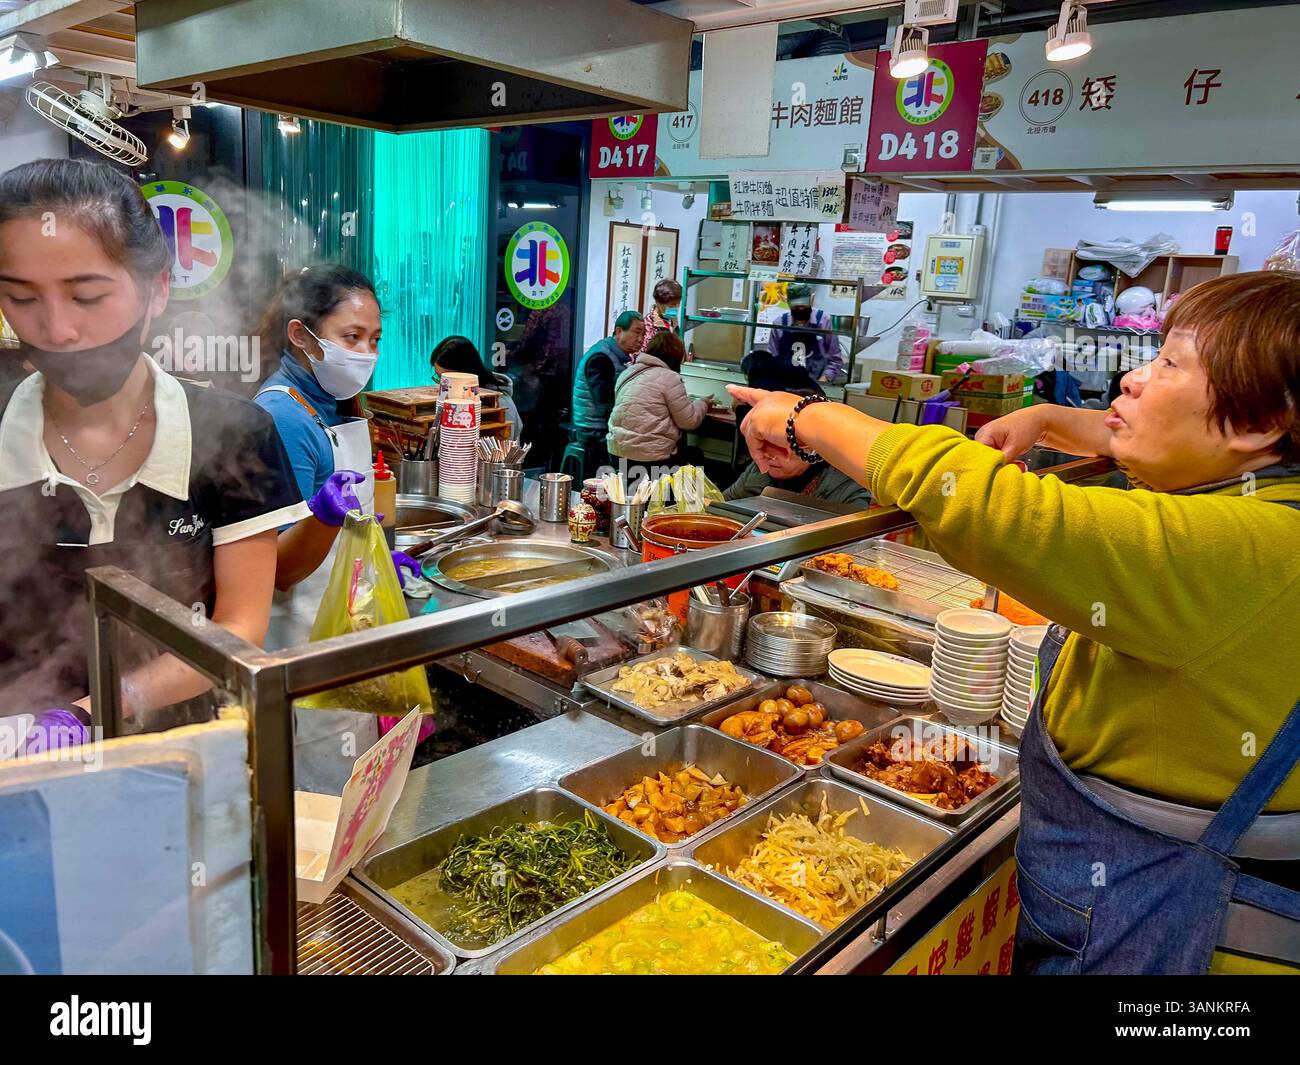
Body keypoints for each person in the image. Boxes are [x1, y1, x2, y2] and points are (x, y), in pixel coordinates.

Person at [728, 269, 1300, 976]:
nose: (1132, 378)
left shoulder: (1247, 550)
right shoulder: (1271, 505)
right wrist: (1053, 419)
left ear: (1259, 424)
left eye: (1169, 364)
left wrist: (802, 417)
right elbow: (1156, 450)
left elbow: (981, 500)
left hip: (1177, 938)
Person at [0, 158, 307, 728]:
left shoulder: (236, 436)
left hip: (181, 754)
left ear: (157, 289)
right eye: (21, 297)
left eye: (87, 296)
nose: (57, 329)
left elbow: (238, 627)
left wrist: (90, 715)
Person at [253, 265, 418, 591]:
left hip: (340, 605)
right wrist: (323, 518)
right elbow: (276, 569)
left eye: (374, 340)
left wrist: (376, 564)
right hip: (300, 627)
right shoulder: (283, 417)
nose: (367, 355)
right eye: (352, 337)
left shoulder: (332, 402)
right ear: (301, 335)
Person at [608, 331, 708, 470]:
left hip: (616, 453)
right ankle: (679, 492)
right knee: (695, 455)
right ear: (676, 356)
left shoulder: (627, 373)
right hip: (651, 459)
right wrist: (703, 403)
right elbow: (689, 421)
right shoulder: (670, 378)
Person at [572, 310, 643, 479]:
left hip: (603, 426)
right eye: (637, 333)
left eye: (643, 335)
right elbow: (604, 400)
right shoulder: (601, 357)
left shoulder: (617, 357)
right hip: (593, 430)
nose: (640, 340)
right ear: (619, 331)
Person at [431, 335, 520, 441]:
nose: (442, 387)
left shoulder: (501, 405)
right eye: (439, 378)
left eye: (446, 381)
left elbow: (504, 452)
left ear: (466, 374)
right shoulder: (456, 401)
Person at [766, 282, 843, 382]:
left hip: (817, 383)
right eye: (796, 307)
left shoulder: (823, 320)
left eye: (804, 306)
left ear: (811, 300)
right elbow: (772, 358)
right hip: (786, 384)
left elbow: (835, 358)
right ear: (788, 303)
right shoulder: (779, 323)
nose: (800, 309)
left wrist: (823, 380)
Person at [639, 278, 681, 354]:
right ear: (658, 302)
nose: (675, 307)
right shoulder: (648, 326)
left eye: (678, 304)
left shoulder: (672, 320)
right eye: (672, 305)